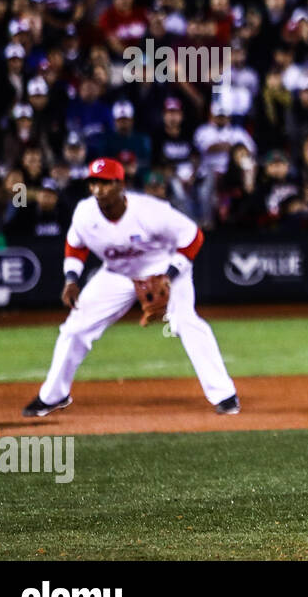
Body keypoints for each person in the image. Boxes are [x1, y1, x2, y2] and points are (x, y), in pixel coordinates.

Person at [22, 157, 240, 418]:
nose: (98, 190)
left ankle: (224, 395)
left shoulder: (151, 211)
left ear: (120, 185)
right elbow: (75, 245)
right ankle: (53, 395)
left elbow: (193, 237)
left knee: (185, 321)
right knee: (75, 328)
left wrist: (169, 275)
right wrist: (71, 278)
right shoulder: (85, 213)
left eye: (105, 183)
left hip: (163, 266)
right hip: (117, 274)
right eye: (94, 183)